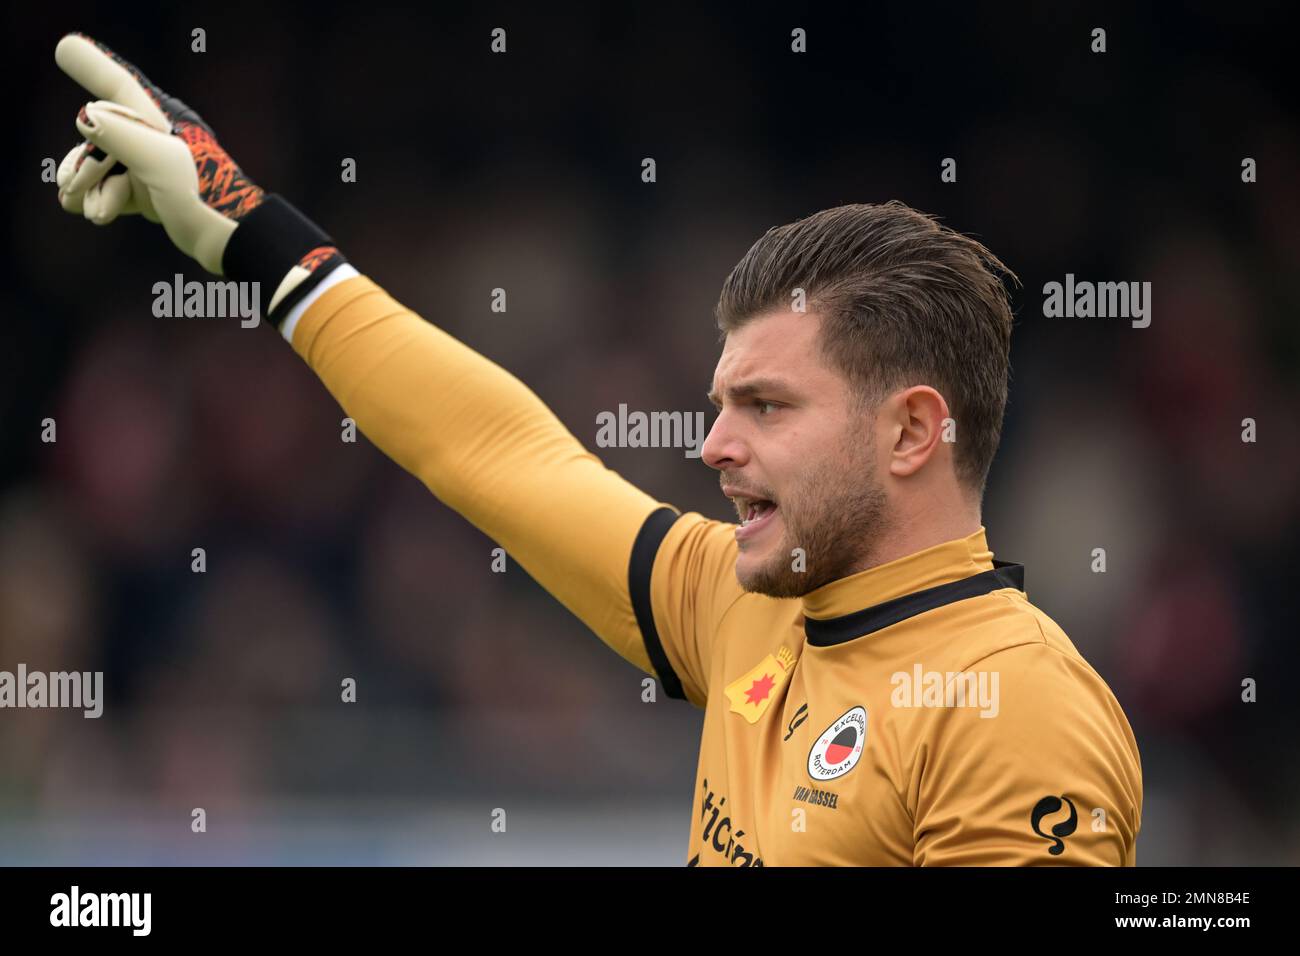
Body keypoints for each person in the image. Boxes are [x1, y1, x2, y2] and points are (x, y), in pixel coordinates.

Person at [51, 33, 1142, 866]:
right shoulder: (743, 604)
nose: (712, 444)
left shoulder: (1018, 714)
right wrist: (247, 229)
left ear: (910, 430)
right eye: (721, 403)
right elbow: (497, 451)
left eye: (767, 406)